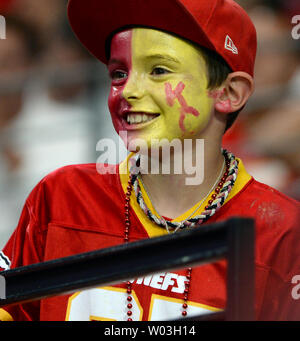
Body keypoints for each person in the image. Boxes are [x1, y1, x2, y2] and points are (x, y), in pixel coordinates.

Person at [0, 0, 299, 321]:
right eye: (118, 72)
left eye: (158, 70)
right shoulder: (60, 195)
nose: (128, 90)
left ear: (229, 93)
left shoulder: (283, 230)